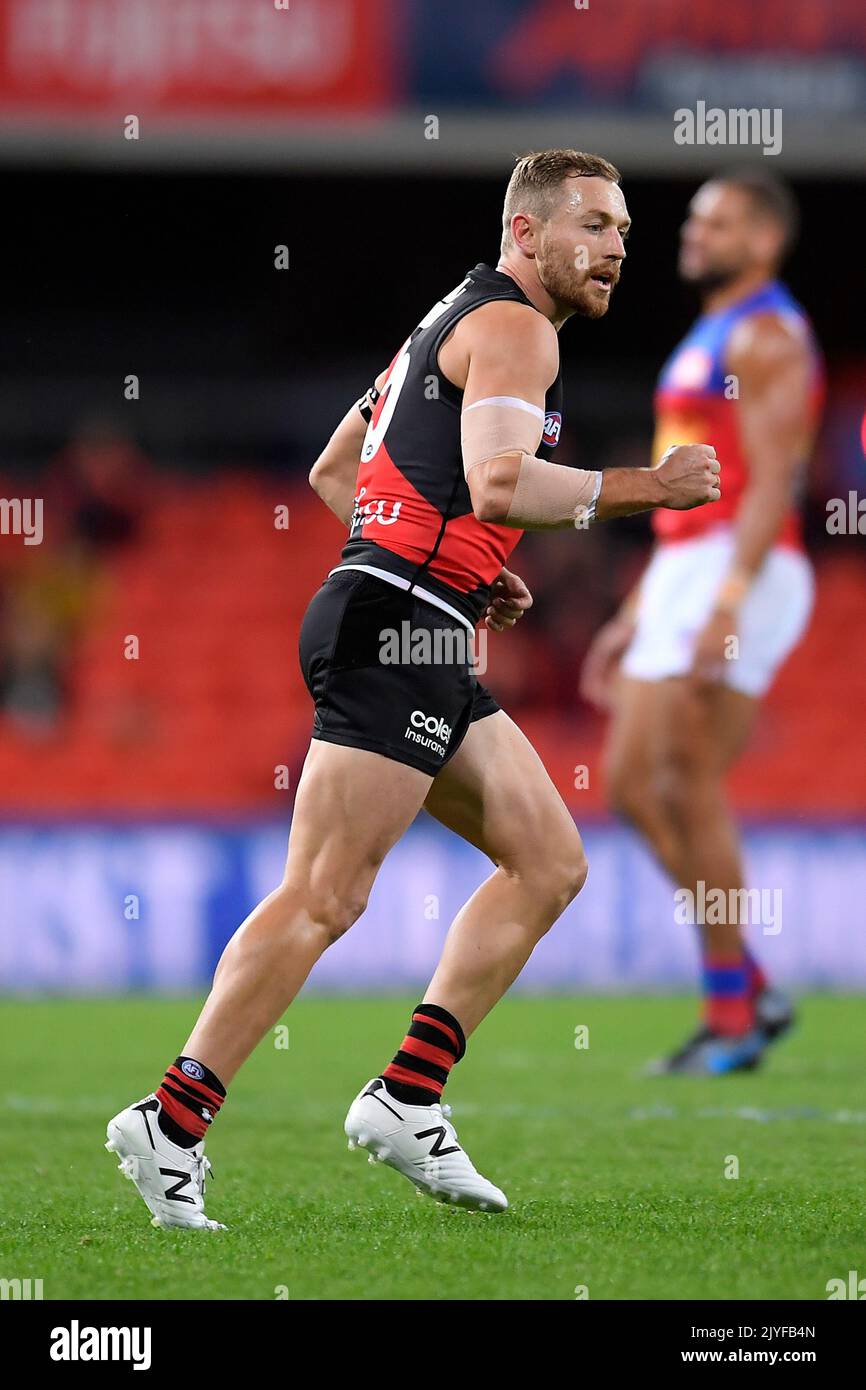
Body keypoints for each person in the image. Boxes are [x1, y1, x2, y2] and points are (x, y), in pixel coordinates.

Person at [106, 150, 719, 1228]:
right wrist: (651, 490)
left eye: (623, 226)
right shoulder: (518, 330)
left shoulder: (450, 317)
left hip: (412, 617)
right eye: (591, 222)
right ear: (526, 234)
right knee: (326, 895)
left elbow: (337, 471)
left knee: (546, 860)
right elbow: (496, 481)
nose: (615, 243)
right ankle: (170, 1119)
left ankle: (405, 1097)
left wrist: (462, 566)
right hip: (395, 624)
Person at [580, 172, 823, 1076]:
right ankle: (749, 981)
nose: (690, 232)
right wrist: (638, 608)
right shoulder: (711, 334)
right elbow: (690, 497)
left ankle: (732, 1016)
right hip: (688, 569)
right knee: (633, 788)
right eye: (691, 218)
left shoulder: (767, 335)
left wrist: (727, 601)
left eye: (714, 221)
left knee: (687, 775)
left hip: (739, 571)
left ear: (762, 241)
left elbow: (771, 483)